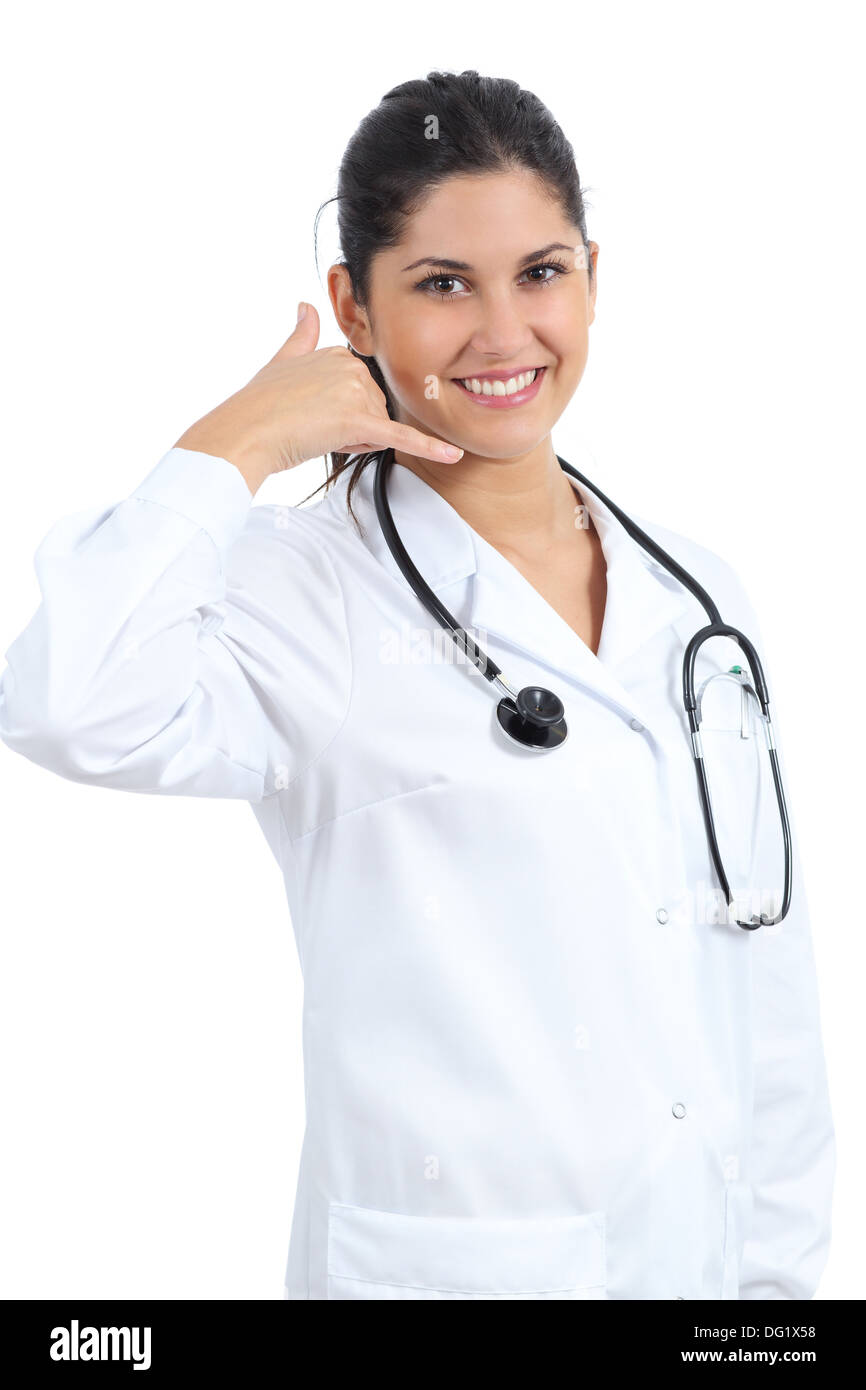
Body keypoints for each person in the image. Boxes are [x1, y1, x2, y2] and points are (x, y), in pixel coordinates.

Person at [0, 70, 835, 1301]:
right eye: (442, 285)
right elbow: (65, 697)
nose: (505, 334)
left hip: (699, 1283)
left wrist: (773, 1300)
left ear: (592, 276)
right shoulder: (304, 592)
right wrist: (237, 440)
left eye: (540, 272)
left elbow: (763, 981)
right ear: (353, 303)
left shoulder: (696, 604)